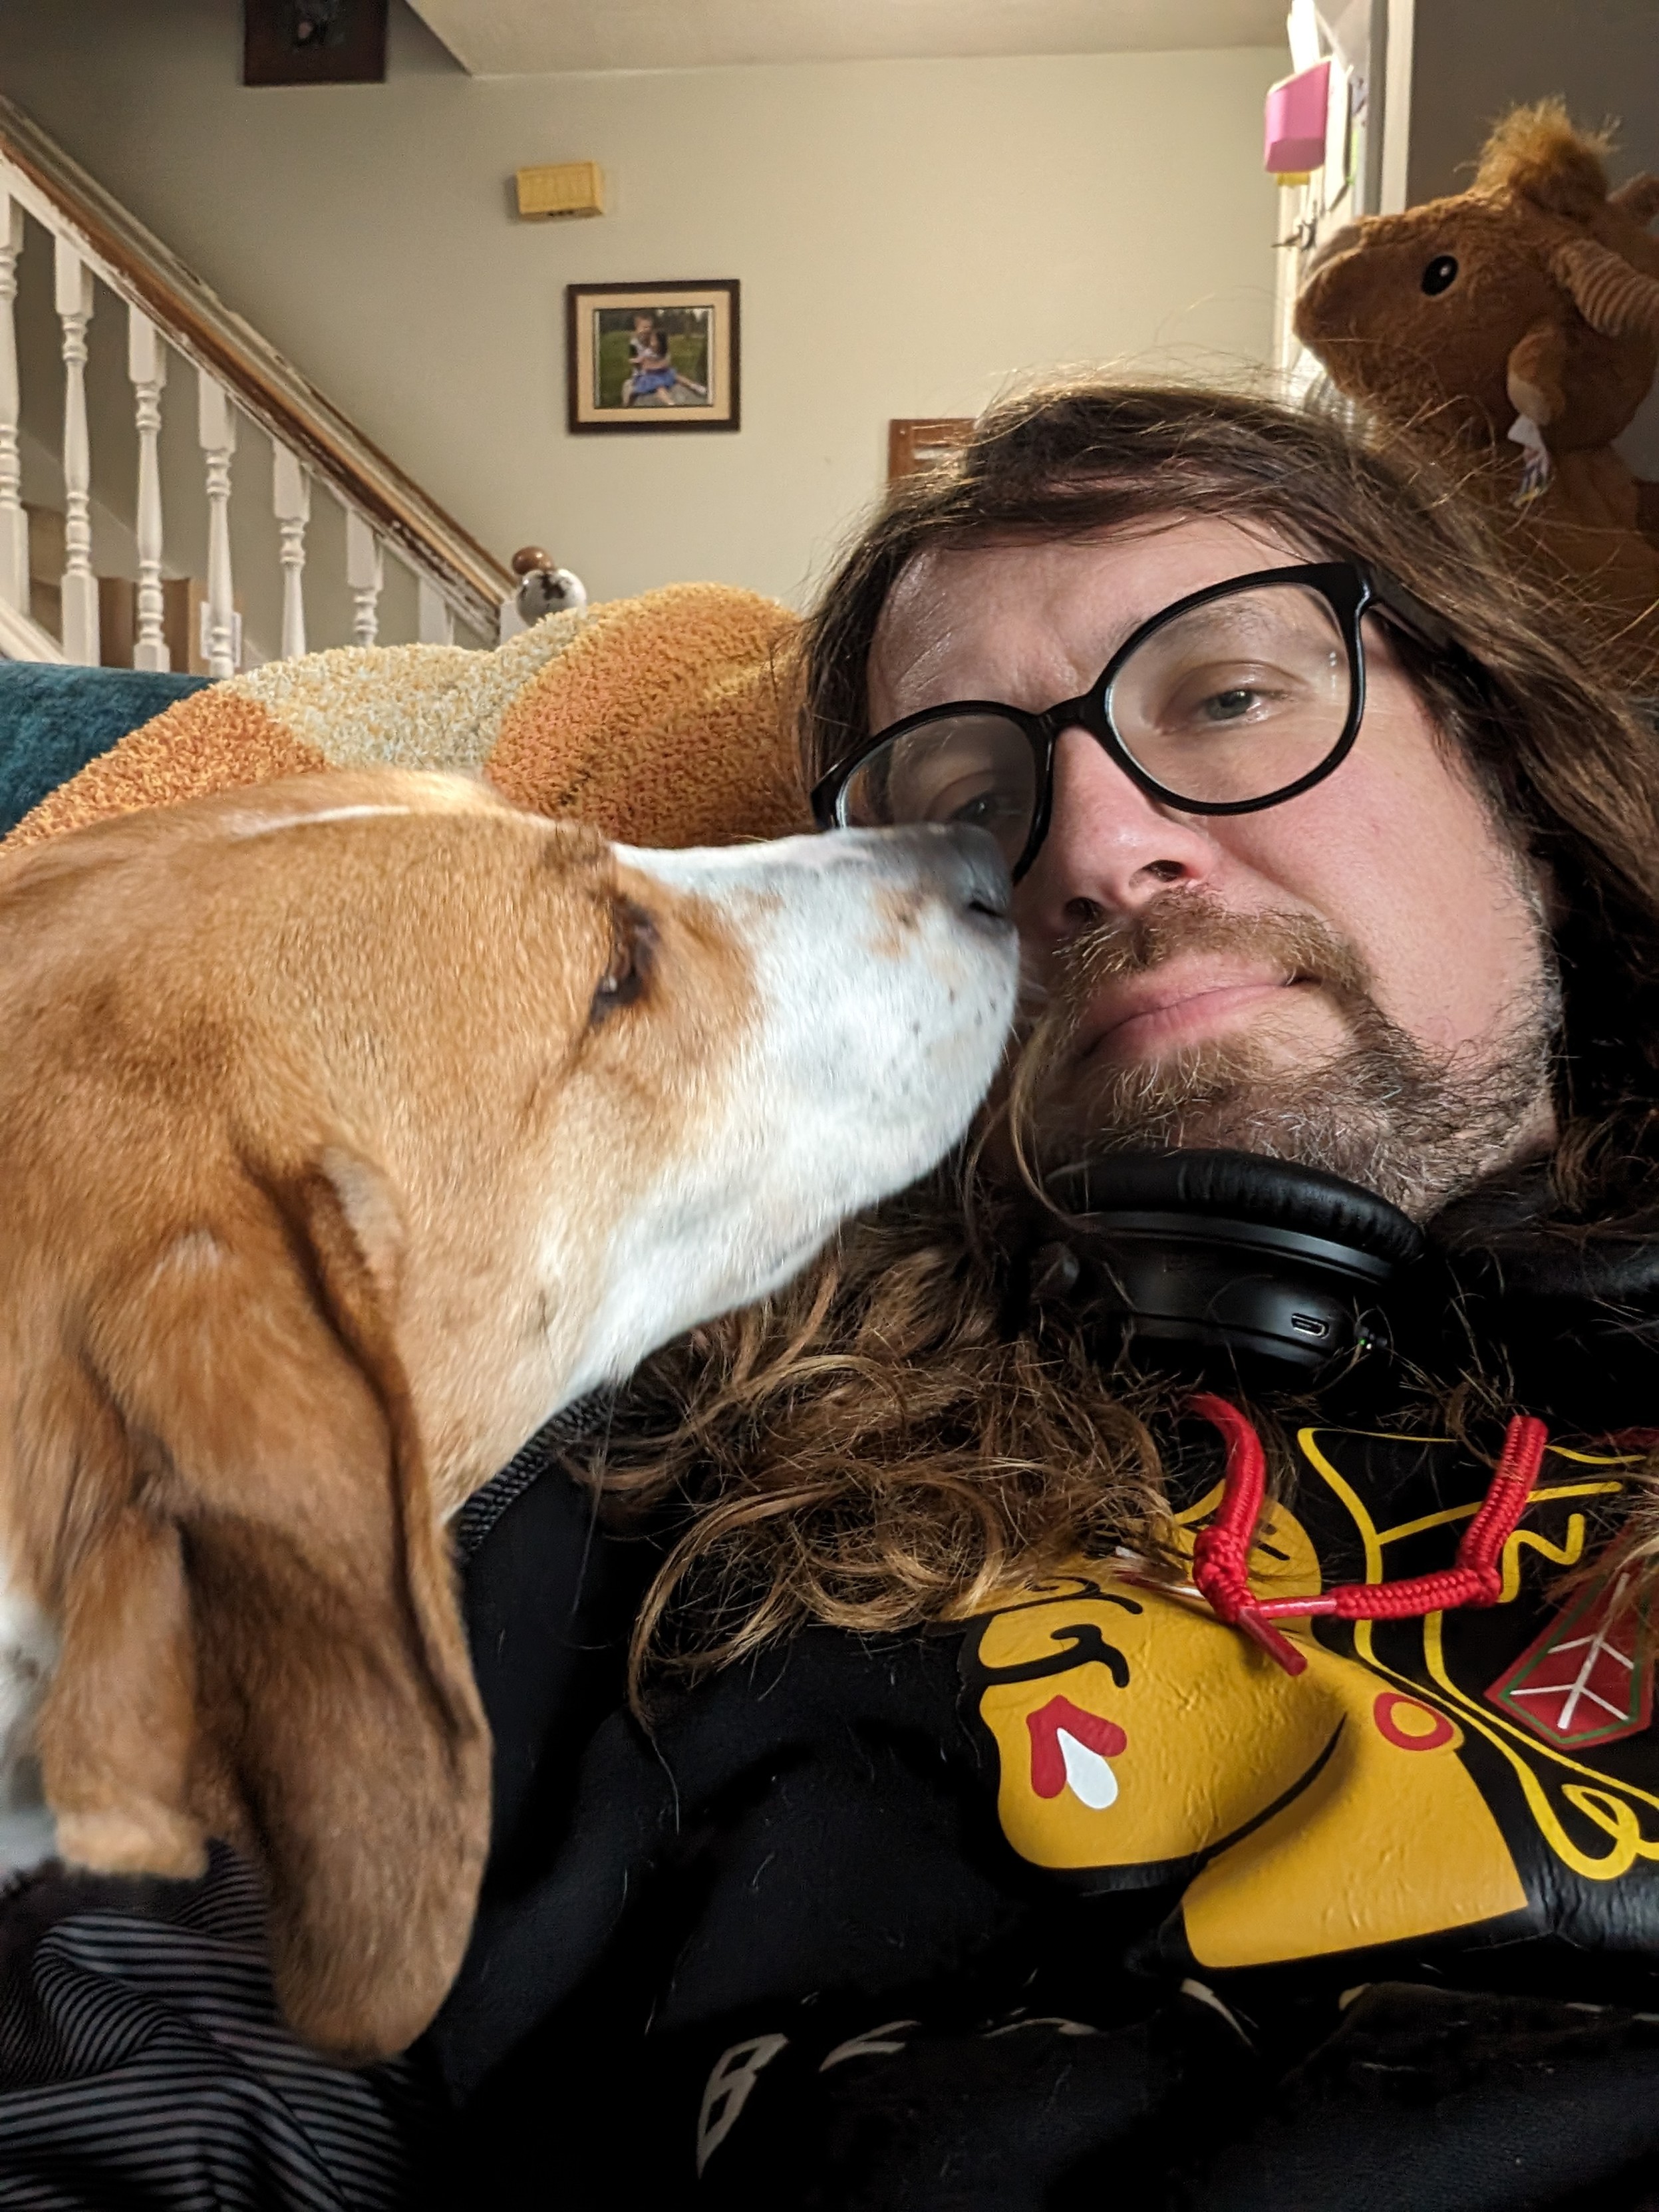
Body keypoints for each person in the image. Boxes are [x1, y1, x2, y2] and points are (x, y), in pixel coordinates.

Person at [8, 380, 1659, 2212]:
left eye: (1232, 697)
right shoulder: (617, 1440)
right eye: (976, 793)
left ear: (1505, 753)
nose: (1098, 852)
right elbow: (147, 2062)